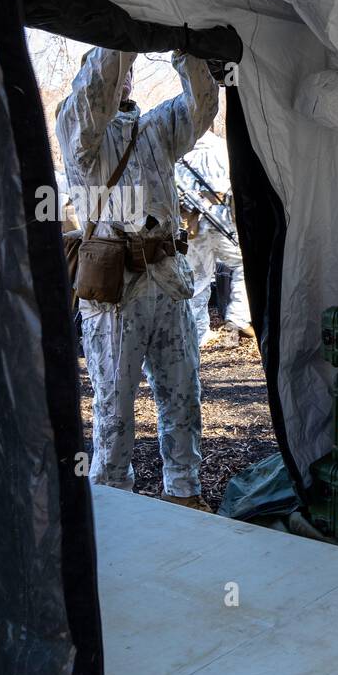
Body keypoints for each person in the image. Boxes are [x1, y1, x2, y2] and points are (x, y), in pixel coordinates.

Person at [57, 48, 219, 511]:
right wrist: (120, 43)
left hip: (167, 282)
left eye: (129, 72)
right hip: (115, 293)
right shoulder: (79, 129)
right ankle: (112, 504)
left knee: (183, 396)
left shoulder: (154, 129)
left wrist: (188, 53)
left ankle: (184, 493)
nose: (124, 79)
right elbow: (94, 94)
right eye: (118, 70)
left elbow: (202, 108)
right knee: (114, 408)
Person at [176, 131, 252, 347]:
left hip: (192, 225)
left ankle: (196, 333)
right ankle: (237, 317)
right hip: (223, 221)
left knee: (198, 278)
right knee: (242, 265)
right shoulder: (223, 148)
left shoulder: (181, 153)